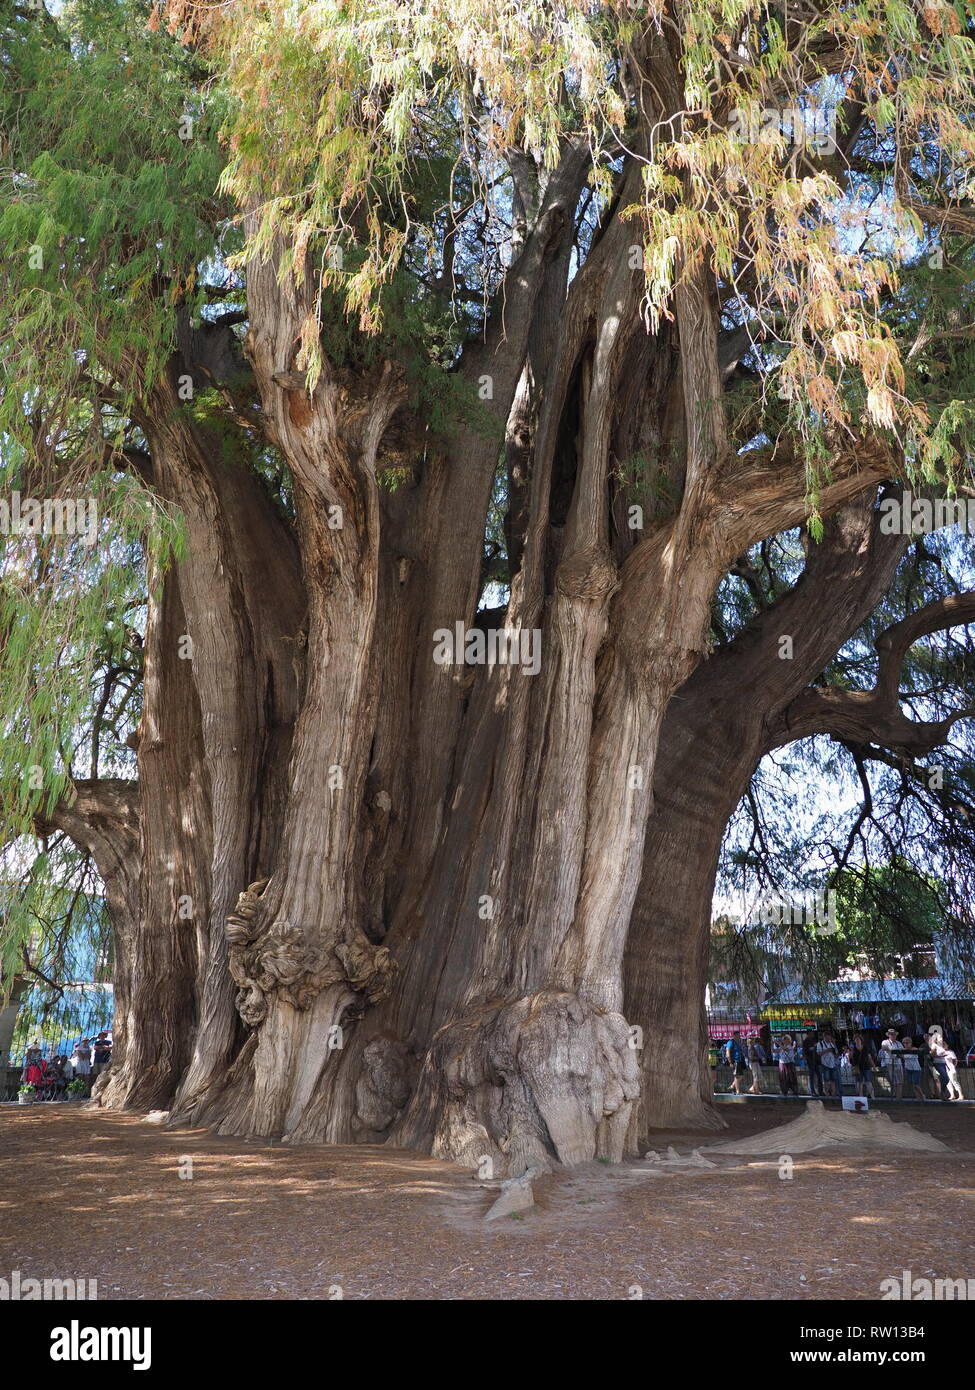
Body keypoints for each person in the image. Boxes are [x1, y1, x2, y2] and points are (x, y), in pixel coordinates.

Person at [879, 1028, 905, 1099]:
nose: (893, 1035)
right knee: (892, 1080)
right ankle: (893, 1097)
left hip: (898, 1063)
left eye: (894, 1034)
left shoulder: (898, 1043)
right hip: (889, 1063)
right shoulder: (885, 1042)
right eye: (891, 1034)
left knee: (900, 1081)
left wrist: (898, 1054)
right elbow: (883, 1047)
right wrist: (893, 1051)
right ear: (889, 1035)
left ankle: (899, 1097)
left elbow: (903, 1052)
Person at [851, 1033, 876, 1098]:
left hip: (866, 1067)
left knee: (868, 1082)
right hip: (858, 1068)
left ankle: (872, 1096)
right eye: (856, 1039)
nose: (857, 1040)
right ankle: (861, 1098)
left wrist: (873, 1065)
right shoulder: (853, 1049)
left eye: (858, 1039)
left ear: (861, 1040)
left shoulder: (865, 1047)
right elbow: (852, 1060)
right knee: (859, 1083)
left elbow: (869, 1057)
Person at [900, 1035, 926, 1101]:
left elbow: (920, 1051)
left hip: (916, 1069)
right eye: (904, 1043)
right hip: (908, 1068)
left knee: (916, 1083)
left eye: (907, 1043)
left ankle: (922, 1095)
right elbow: (901, 1056)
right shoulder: (903, 1050)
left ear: (911, 1043)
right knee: (912, 1084)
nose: (906, 1044)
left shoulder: (914, 1049)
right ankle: (918, 1098)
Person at [817, 1031, 840, 1097]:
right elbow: (818, 1053)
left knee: (833, 1079)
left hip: (832, 1064)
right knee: (826, 1079)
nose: (829, 1039)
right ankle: (826, 1093)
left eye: (829, 1038)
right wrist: (827, 1050)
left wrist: (834, 1044)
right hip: (825, 1064)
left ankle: (833, 1093)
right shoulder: (820, 1044)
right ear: (824, 1037)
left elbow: (836, 1054)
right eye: (827, 1038)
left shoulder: (832, 1044)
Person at [802, 1031, 824, 1097]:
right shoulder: (805, 1042)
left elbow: (817, 1049)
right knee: (811, 1077)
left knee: (819, 1076)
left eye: (813, 1034)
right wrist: (807, 1060)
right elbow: (805, 1052)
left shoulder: (814, 1040)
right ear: (808, 1034)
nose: (812, 1035)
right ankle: (812, 1092)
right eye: (811, 1033)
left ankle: (821, 1091)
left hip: (816, 1061)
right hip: (810, 1061)